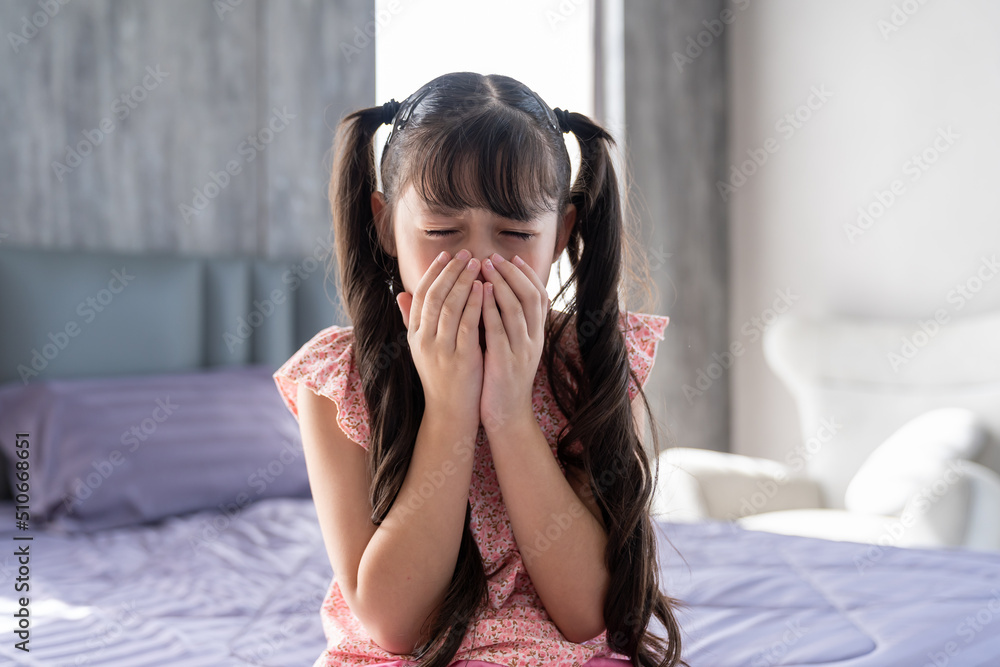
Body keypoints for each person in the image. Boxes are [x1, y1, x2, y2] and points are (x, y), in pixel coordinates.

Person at [273, 71, 688, 667]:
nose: (479, 261)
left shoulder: (587, 361)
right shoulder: (341, 379)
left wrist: (510, 415)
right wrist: (449, 411)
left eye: (515, 232)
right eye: (442, 231)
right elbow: (395, 626)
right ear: (385, 225)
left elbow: (585, 615)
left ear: (561, 235)